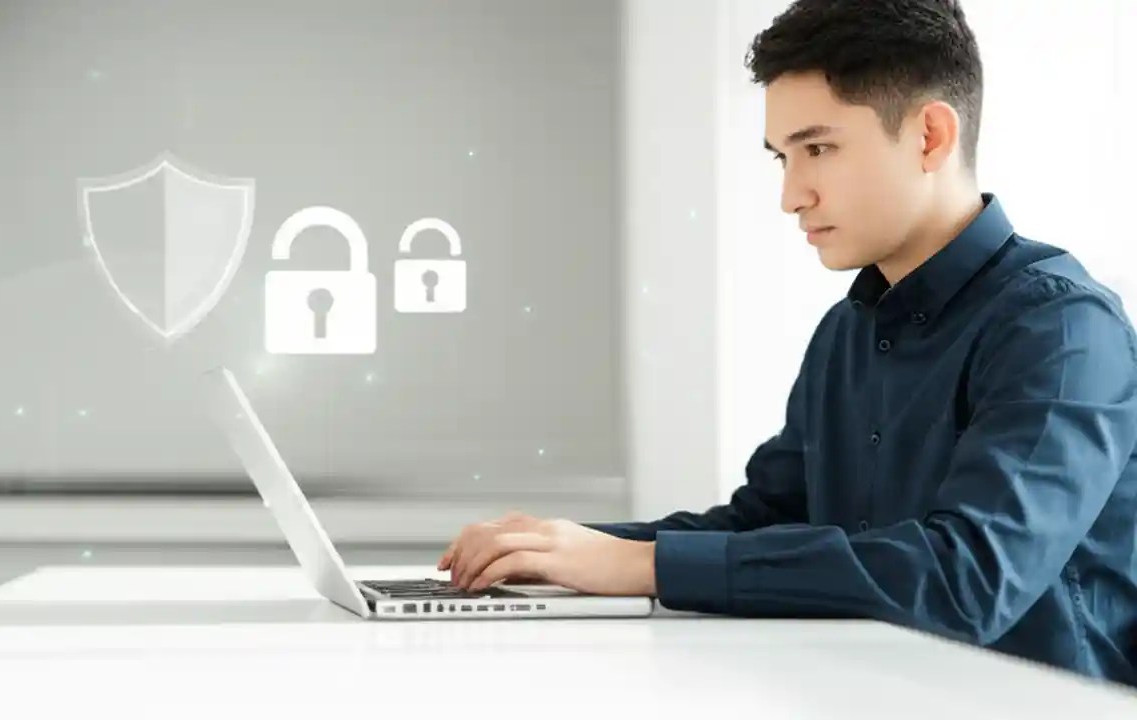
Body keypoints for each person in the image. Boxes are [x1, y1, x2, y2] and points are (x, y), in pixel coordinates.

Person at [438, 0, 1137, 687]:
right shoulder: (848, 330)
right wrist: (563, 549)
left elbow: (967, 579)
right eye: (782, 157)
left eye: (819, 148)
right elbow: (764, 522)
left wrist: (638, 567)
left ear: (929, 136)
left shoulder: (1065, 330)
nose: (792, 194)